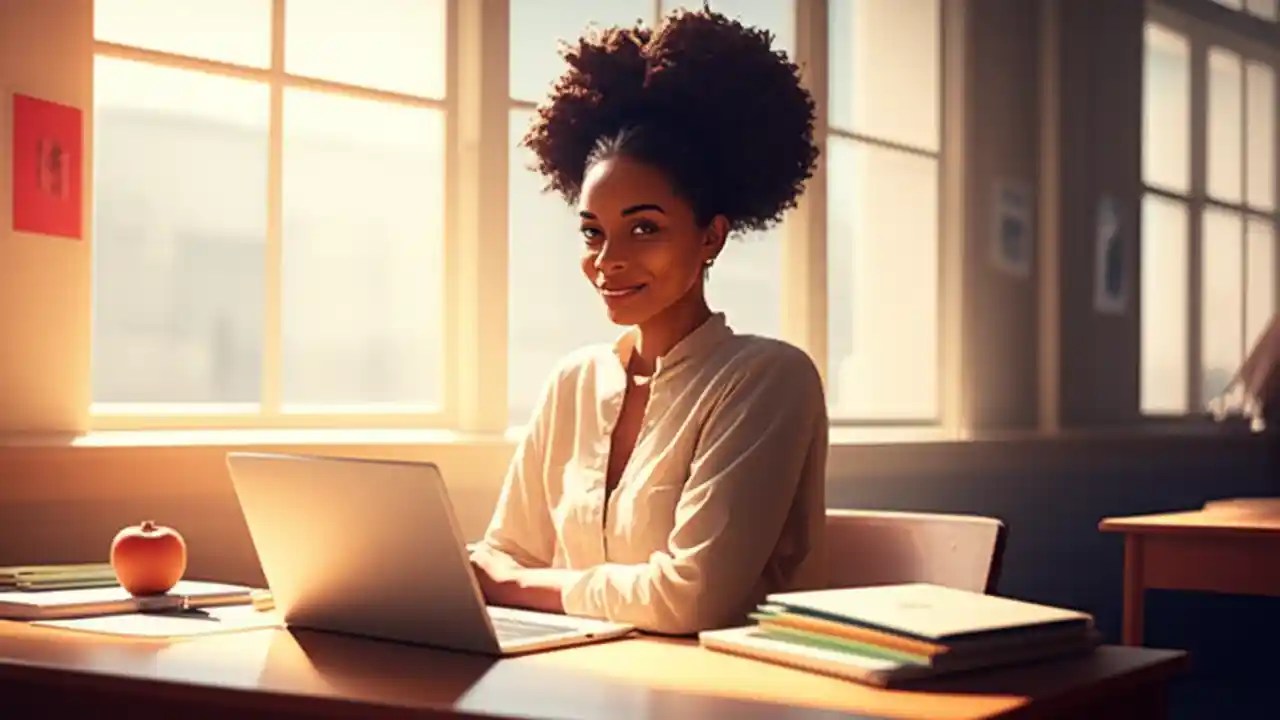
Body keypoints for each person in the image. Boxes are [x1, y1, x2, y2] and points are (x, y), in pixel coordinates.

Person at [468, 7, 827, 636]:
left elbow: (691, 598)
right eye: (593, 232)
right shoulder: (574, 382)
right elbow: (503, 555)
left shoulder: (769, 379)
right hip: (572, 668)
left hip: (711, 681)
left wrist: (522, 586)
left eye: (644, 229)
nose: (608, 260)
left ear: (711, 236)